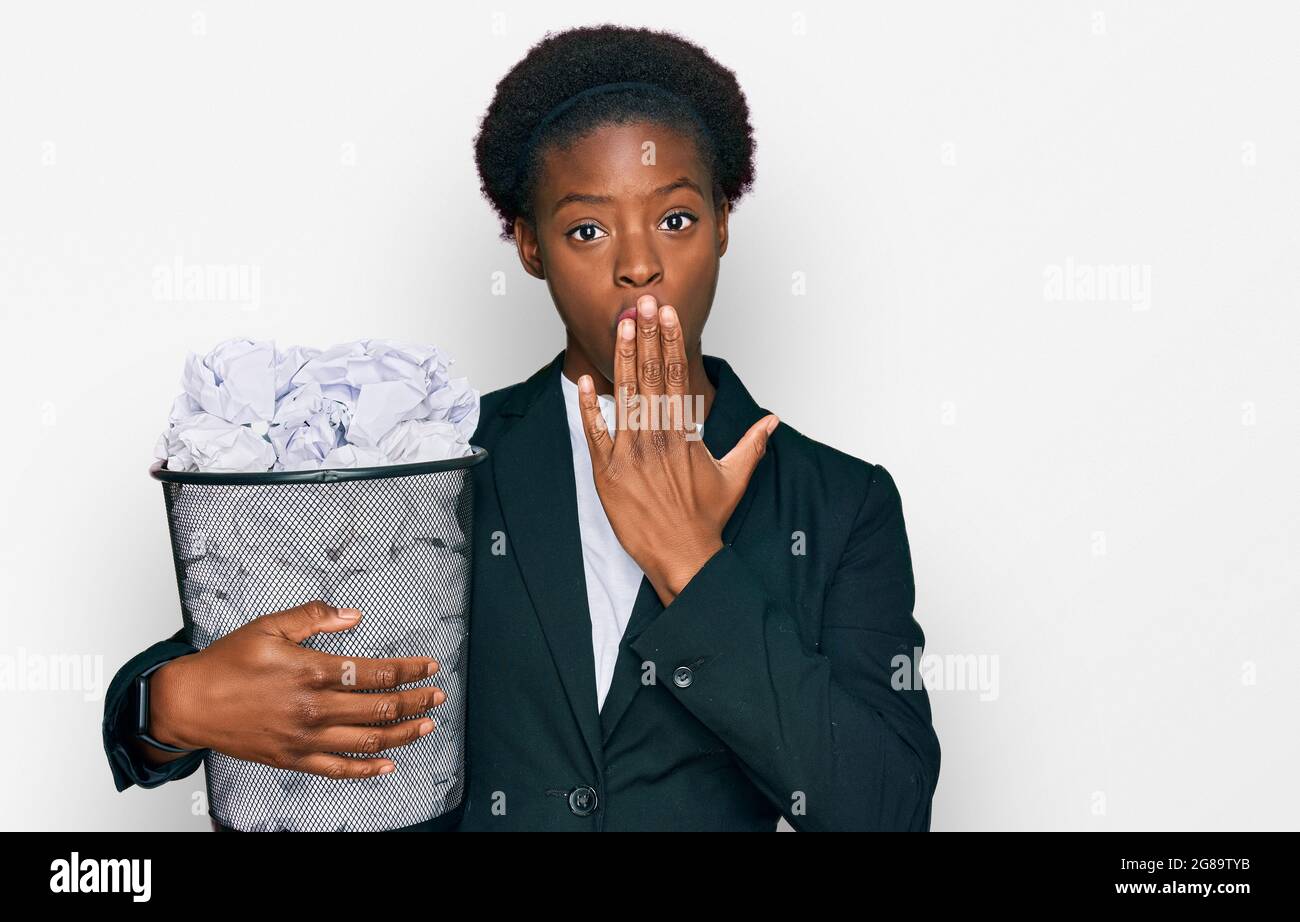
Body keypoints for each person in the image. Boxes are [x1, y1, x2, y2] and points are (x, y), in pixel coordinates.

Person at [104, 24, 941, 831]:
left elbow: (886, 807)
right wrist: (171, 705)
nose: (638, 263)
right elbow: (240, 650)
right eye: (586, 228)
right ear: (529, 245)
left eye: (677, 218)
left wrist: (691, 561)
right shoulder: (442, 462)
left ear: (725, 220)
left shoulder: (840, 502)